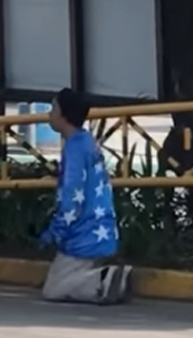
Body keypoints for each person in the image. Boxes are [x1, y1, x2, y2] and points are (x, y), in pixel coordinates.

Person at [35, 88, 133, 304]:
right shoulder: (87, 141)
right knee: (59, 280)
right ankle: (105, 276)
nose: (49, 114)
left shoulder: (74, 150)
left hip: (83, 236)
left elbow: (72, 198)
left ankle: (104, 280)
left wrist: (55, 232)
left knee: (53, 289)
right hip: (100, 231)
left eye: (53, 109)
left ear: (64, 115)